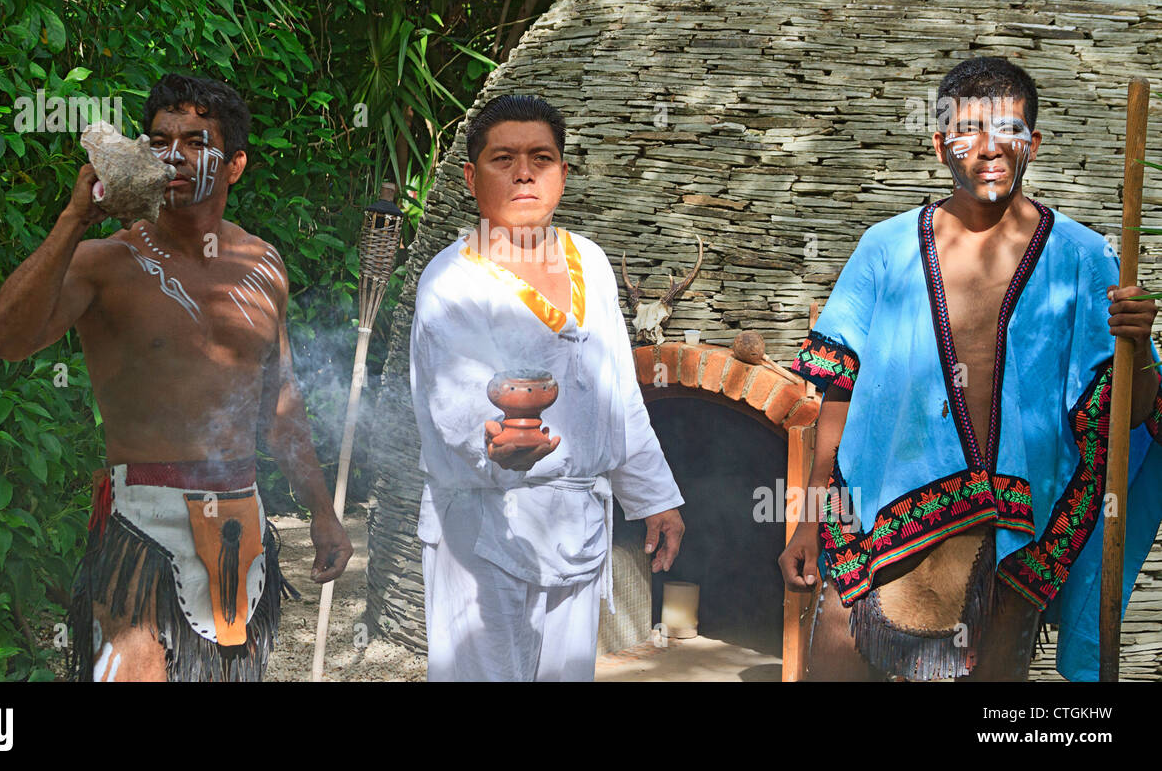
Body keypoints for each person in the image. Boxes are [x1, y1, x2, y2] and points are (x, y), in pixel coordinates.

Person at [779, 56, 1162, 681]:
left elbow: (1132, 414)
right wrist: (807, 520)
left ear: (1032, 143)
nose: (991, 146)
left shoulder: (1086, 258)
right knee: (838, 661)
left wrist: (1138, 346)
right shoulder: (886, 248)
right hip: (881, 513)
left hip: (1015, 526)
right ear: (940, 144)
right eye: (971, 128)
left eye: (1009, 128)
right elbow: (837, 390)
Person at [0, 74, 352, 681]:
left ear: (234, 165)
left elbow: (280, 404)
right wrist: (77, 217)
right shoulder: (106, 260)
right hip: (142, 519)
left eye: (194, 141)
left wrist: (320, 511)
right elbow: (6, 340)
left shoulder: (261, 265)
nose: (173, 155)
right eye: (159, 140)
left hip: (240, 516)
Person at [410, 93, 686, 681]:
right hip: (484, 526)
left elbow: (618, 392)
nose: (524, 171)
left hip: (578, 524)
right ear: (469, 176)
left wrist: (653, 496)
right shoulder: (451, 282)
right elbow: (452, 402)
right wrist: (494, 445)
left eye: (541, 156)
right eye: (502, 158)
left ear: (562, 171)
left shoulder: (589, 260)